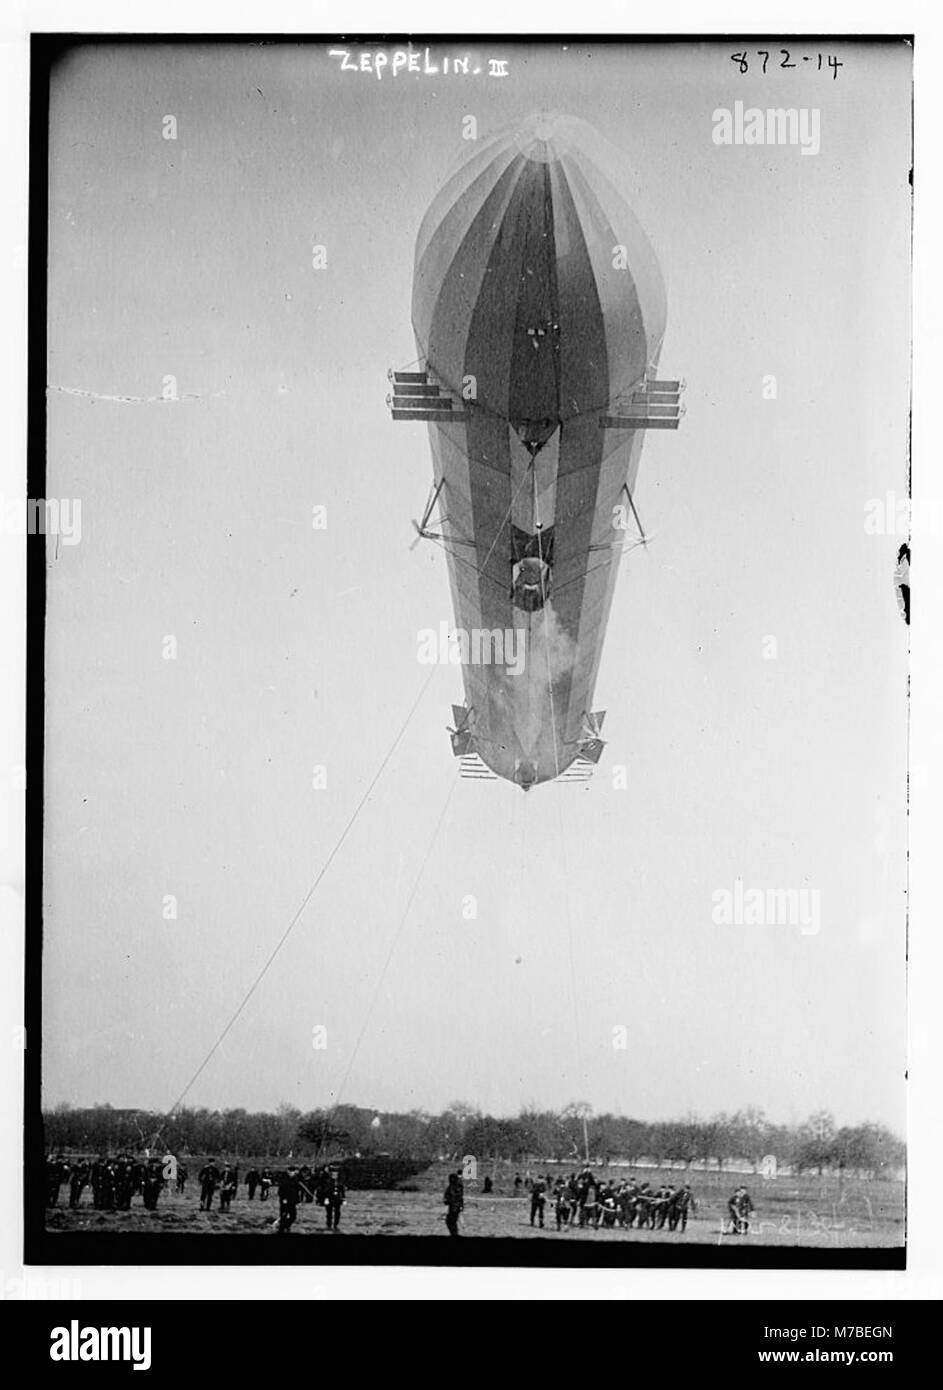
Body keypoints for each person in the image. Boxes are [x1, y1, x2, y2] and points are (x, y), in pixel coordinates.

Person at [319, 1166, 346, 1230]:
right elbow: (325, 1191)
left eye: (336, 1174)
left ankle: (336, 1224)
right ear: (331, 1175)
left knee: (337, 1213)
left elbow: (342, 1191)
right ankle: (329, 1224)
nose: (335, 1176)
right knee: (329, 1213)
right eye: (333, 1174)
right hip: (330, 1199)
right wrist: (326, 1199)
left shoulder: (339, 1182)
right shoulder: (328, 1182)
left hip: (337, 1199)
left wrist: (344, 1199)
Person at [277, 1165, 302, 1233]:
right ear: (288, 1171)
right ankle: (281, 1229)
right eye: (290, 1171)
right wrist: (283, 1198)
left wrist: (298, 1201)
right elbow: (280, 1191)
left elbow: (297, 1192)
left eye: (293, 1171)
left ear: (295, 1172)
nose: (291, 1173)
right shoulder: (284, 1179)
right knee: (283, 1216)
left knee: (293, 1216)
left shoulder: (296, 1180)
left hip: (293, 1201)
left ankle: (287, 1226)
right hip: (285, 1201)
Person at [443, 1172, 464, 1236]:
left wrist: (447, 1200)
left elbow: (453, 1198)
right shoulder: (454, 1186)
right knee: (451, 1222)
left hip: (454, 1208)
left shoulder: (454, 1187)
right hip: (454, 1207)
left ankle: (455, 1234)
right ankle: (454, 1233)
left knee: (450, 1222)